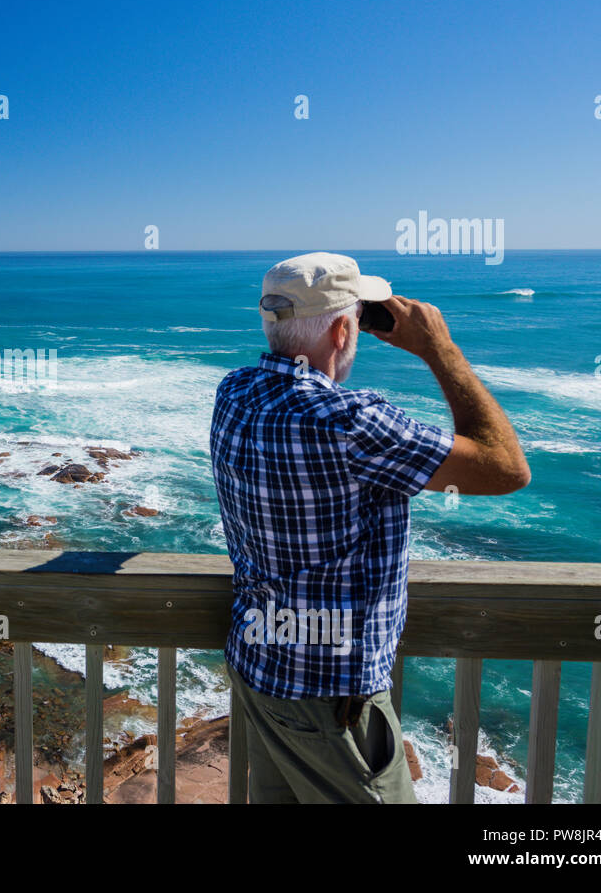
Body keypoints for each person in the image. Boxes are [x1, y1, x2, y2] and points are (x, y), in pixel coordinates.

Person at [211, 252, 529, 803]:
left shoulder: (235, 394)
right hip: (330, 698)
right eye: (358, 316)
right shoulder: (350, 420)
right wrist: (439, 350)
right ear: (341, 330)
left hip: (260, 666)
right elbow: (506, 468)